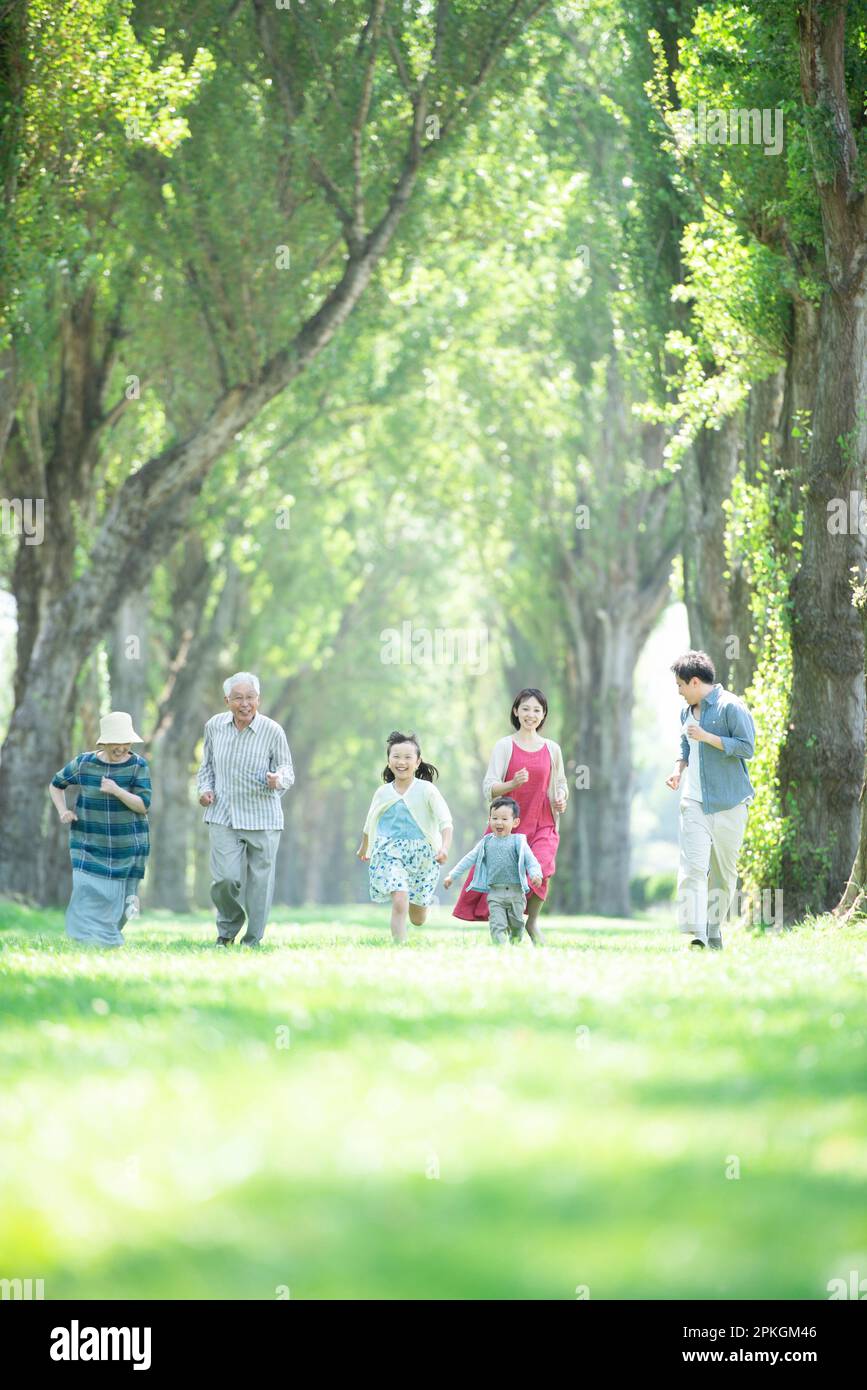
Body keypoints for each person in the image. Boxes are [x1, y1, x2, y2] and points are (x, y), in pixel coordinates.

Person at [452, 687, 568, 945]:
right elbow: (489, 788)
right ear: (516, 711)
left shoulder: (552, 749)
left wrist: (561, 797)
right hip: (509, 827)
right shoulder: (505, 746)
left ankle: (532, 922)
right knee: (507, 878)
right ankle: (509, 923)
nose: (531, 714)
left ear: (543, 715)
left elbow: (560, 783)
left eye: (537, 710)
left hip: (543, 824)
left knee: (543, 867)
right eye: (525, 708)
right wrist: (512, 784)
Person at [196, 672, 294, 948]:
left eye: (250, 697)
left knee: (260, 886)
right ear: (227, 700)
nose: (245, 703)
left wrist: (279, 779)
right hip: (223, 815)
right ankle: (227, 931)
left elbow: (287, 768)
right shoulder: (214, 726)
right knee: (225, 879)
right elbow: (206, 767)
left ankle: (252, 941)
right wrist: (204, 790)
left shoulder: (272, 730)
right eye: (238, 698)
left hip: (263, 816)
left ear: (258, 700)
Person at [665, 650, 756, 951]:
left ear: (694, 682)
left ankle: (713, 928)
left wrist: (707, 737)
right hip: (693, 803)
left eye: (680, 685)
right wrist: (678, 769)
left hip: (731, 803)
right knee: (693, 868)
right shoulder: (685, 712)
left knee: (724, 875)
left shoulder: (731, 706)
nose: (678, 691)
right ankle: (697, 935)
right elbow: (685, 745)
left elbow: (747, 748)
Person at [48, 711, 151, 947]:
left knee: (122, 903)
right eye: (116, 742)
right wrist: (63, 810)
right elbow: (56, 785)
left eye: (126, 743)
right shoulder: (84, 763)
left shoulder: (138, 766)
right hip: (88, 841)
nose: (122, 748)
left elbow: (143, 806)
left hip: (128, 845)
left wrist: (116, 790)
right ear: (104, 742)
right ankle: (84, 940)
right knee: (86, 887)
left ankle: (107, 938)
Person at [357, 730, 453, 943]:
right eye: (396, 757)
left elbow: (445, 821)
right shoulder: (383, 792)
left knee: (418, 918)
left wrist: (444, 848)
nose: (402, 762)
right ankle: (400, 945)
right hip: (389, 852)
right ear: (389, 761)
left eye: (408, 757)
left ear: (418, 762)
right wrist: (364, 848)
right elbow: (369, 823)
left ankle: (422, 905)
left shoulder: (426, 790)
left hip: (423, 856)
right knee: (400, 899)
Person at [444, 796, 543, 944]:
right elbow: (469, 858)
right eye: (495, 818)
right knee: (497, 924)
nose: (499, 822)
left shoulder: (518, 842)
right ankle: (500, 949)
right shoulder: (486, 842)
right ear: (489, 820)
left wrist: (535, 874)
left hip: (516, 892)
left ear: (515, 822)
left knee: (516, 924)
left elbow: (531, 860)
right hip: (495, 892)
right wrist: (452, 875)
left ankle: (515, 942)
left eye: (504, 819)